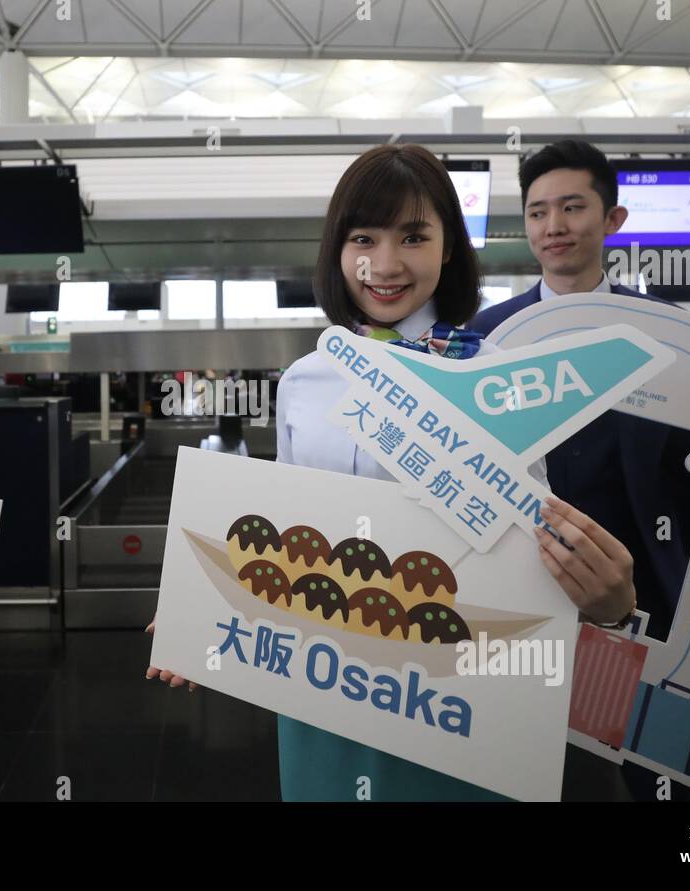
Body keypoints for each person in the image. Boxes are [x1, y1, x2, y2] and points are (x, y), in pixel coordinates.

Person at [150, 144, 640, 801]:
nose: (384, 265)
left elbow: (533, 547)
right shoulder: (305, 380)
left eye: (413, 236)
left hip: (453, 686)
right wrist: (204, 605)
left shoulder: (497, 379)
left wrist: (605, 605)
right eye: (363, 238)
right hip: (324, 675)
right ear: (338, 250)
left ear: (447, 247)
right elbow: (286, 524)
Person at [469, 140, 690, 800]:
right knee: (524, 778)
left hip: (651, 612)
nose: (553, 226)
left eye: (573, 207)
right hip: (520, 608)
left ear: (613, 220)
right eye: (537, 211)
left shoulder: (677, 342)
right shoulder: (484, 340)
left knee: (658, 783)